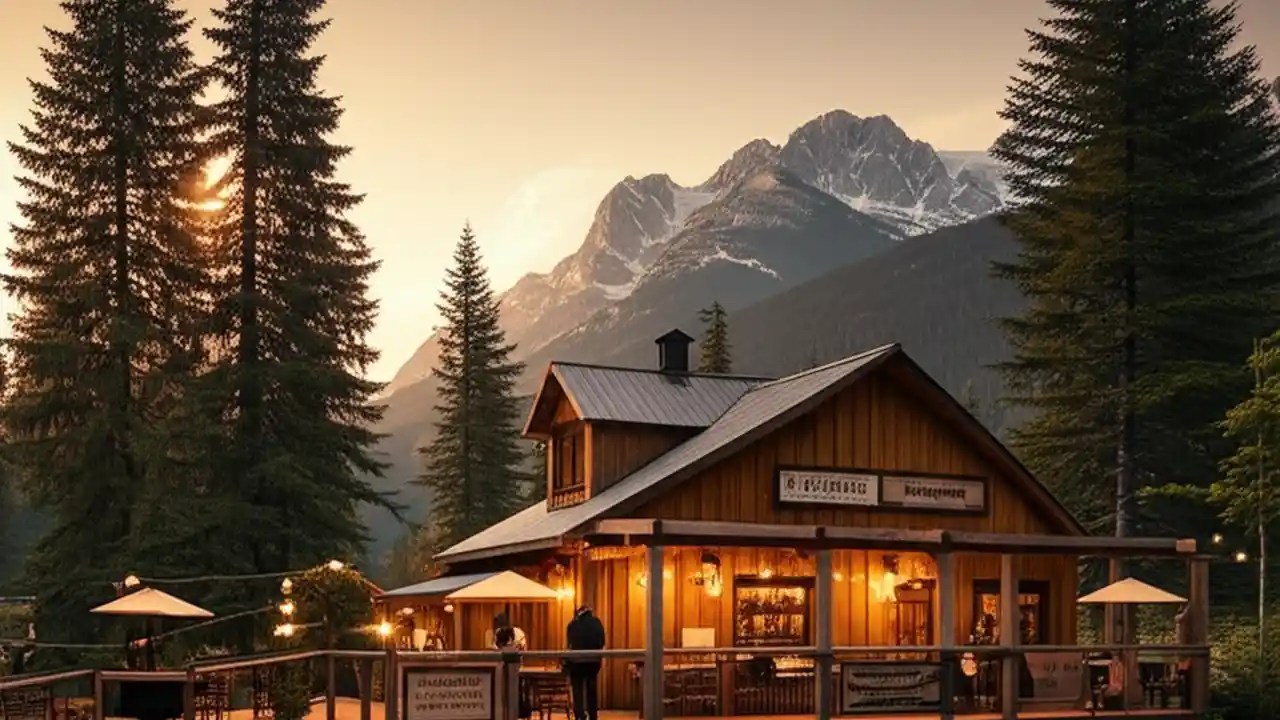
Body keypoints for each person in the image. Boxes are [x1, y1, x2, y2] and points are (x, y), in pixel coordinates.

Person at [565, 605, 605, 720]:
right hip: (593, 661)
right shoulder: (597, 623)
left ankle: (579, 714)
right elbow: (602, 642)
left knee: (577, 688)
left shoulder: (572, 624)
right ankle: (593, 714)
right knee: (591, 688)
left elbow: (569, 645)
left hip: (576, 661)